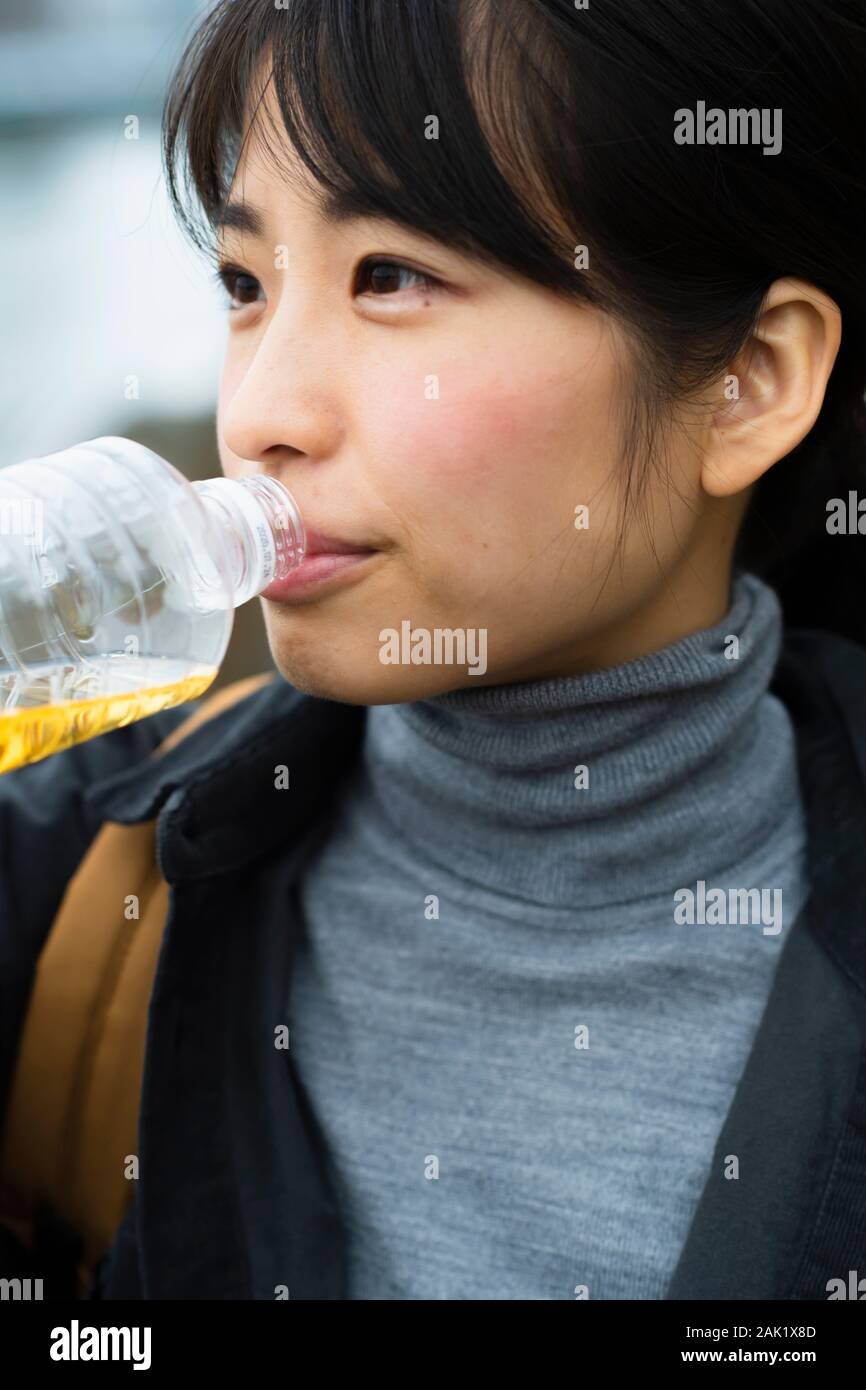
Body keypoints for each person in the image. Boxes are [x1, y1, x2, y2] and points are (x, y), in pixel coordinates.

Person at [2, 0, 866, 1300]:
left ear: (744, 376)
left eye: (392, 278)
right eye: (245, 285)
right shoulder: (74, 869)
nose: (258, 415)